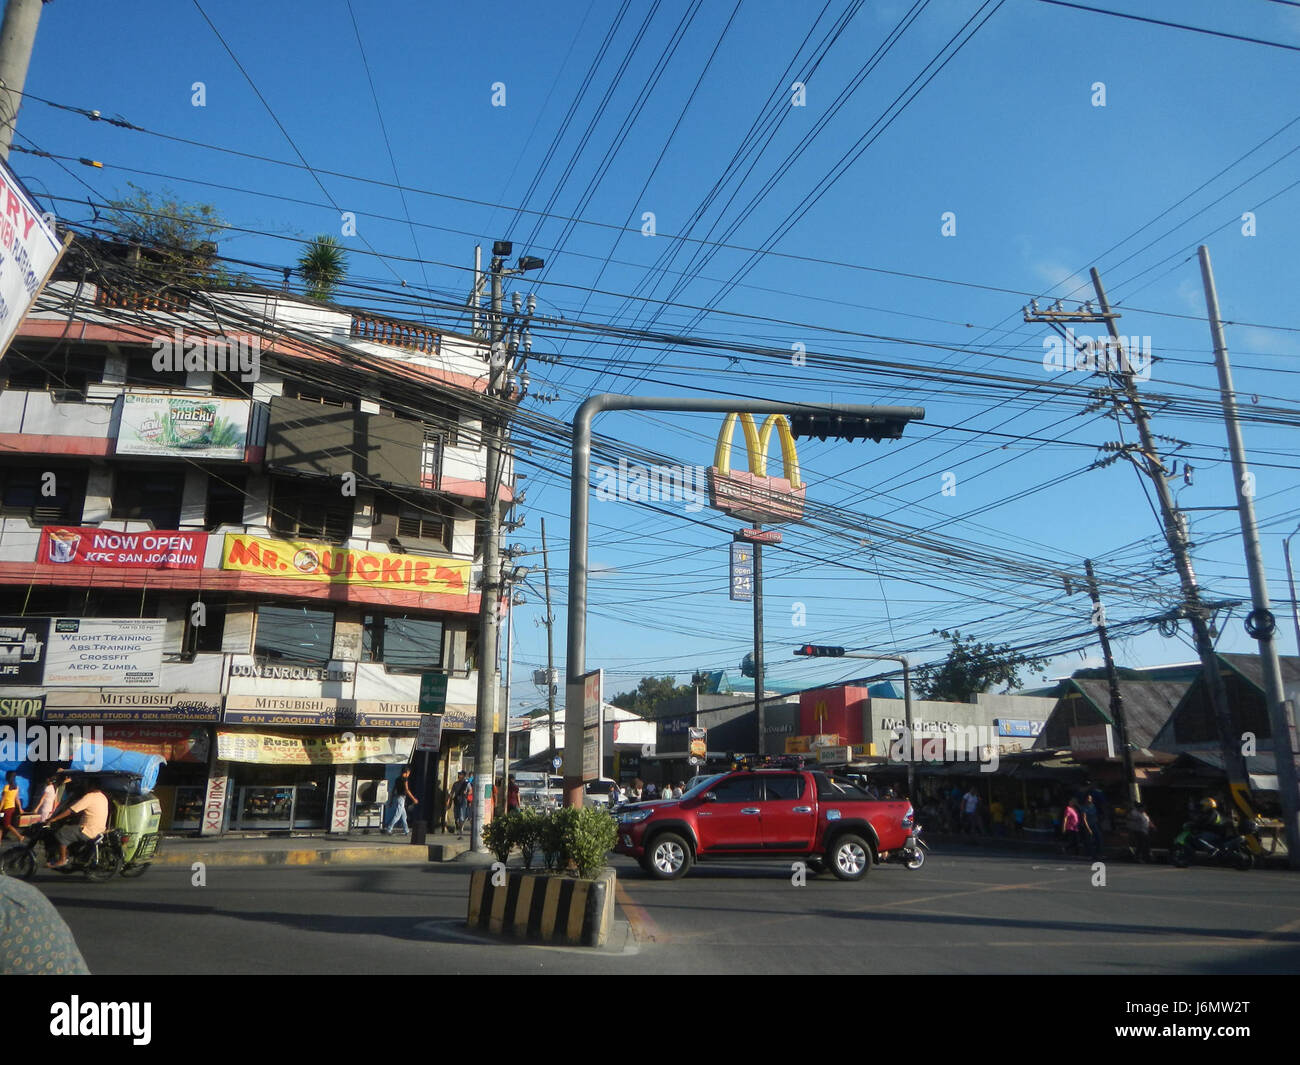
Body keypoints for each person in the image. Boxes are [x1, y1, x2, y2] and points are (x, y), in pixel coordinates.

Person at [41, 780, 108, 869]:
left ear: (91, 785)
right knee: (71, 828)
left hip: (88, 830)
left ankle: (63, 859)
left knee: (62, 833)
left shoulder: (89, 797)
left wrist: (54, 819)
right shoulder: (103, 797)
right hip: (99, 830)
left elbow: (71, 810)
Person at [384, 767, 417, 835]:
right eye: (408, 773)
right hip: (402, 798)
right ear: (407, 772)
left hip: (397, 797)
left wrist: (391, 800)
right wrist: (413, 799)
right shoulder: (405, 779)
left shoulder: (397, 779)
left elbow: (393, 790)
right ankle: (389, 828)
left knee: (404, 816)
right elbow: (407, 790)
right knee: (398, 815)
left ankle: (406, 830)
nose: (409, 774)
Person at [1, 772, 25, 843]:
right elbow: (16, 798)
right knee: (2, 824)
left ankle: (20, 836)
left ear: (7, 778)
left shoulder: (6, 787)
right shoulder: (16, 787)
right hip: (12, 808)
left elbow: (3, 800)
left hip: (6, 809)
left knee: (7, 825)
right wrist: (20, 808)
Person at [448, 771, 470, 837]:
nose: (459, 776)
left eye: (460, 774)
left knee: (461, 815)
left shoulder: (466, 784)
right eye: (459, 774)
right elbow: (452, 792)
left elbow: (471, 791)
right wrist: (449, 800)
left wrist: (466, 793)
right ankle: (459, 827)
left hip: (464, 800)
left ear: (463, 776)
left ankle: (460, 830)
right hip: (456, 800)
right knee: (456, 816)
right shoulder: (455, 784)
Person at [1081, 794, 1103, 859]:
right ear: (1085, 799)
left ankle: (1098, 854)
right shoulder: (1084, 807)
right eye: (1088, 798)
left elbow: (1096, 815)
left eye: (1090, 798)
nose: (1089, 799)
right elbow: (1084, 819)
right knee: (1089, 840)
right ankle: (1089, 855)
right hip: (1088, 825)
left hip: (1095, 824)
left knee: (1099, 838)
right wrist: (1088, 828)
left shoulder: (1093, 806)